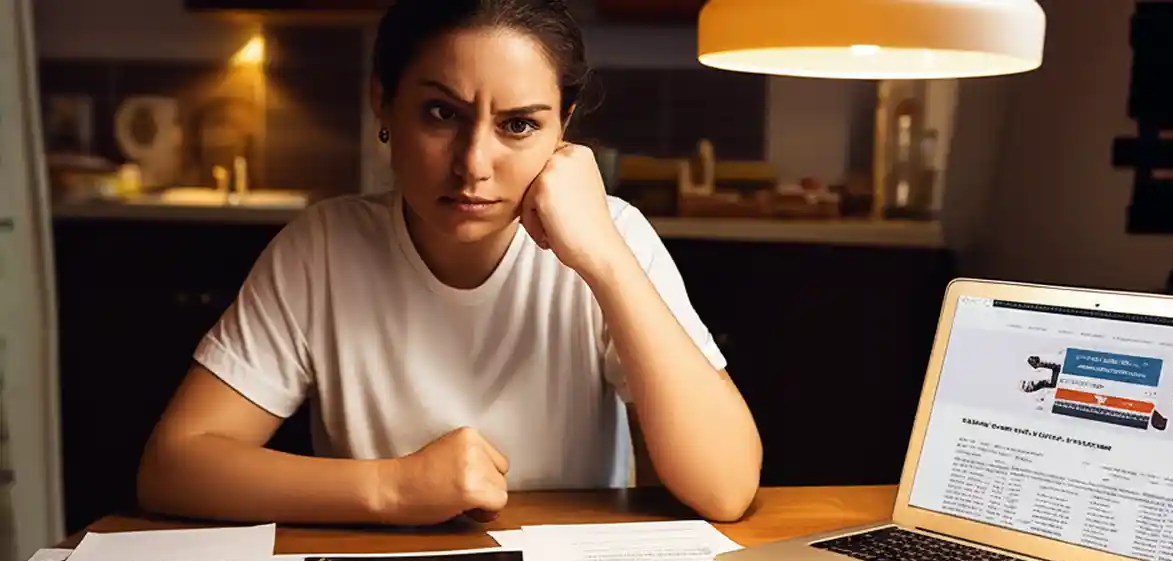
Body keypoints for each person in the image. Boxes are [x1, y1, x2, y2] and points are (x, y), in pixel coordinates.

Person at [136, 0, 762, 527]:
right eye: (442, 114)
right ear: (383, 102)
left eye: (518, 125)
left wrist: (604, 259)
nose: (474, 164)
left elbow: (725, 489)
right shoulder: (322, 247)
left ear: (563, 128)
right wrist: (395, 489)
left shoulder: (615, 236)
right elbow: (174, 467)